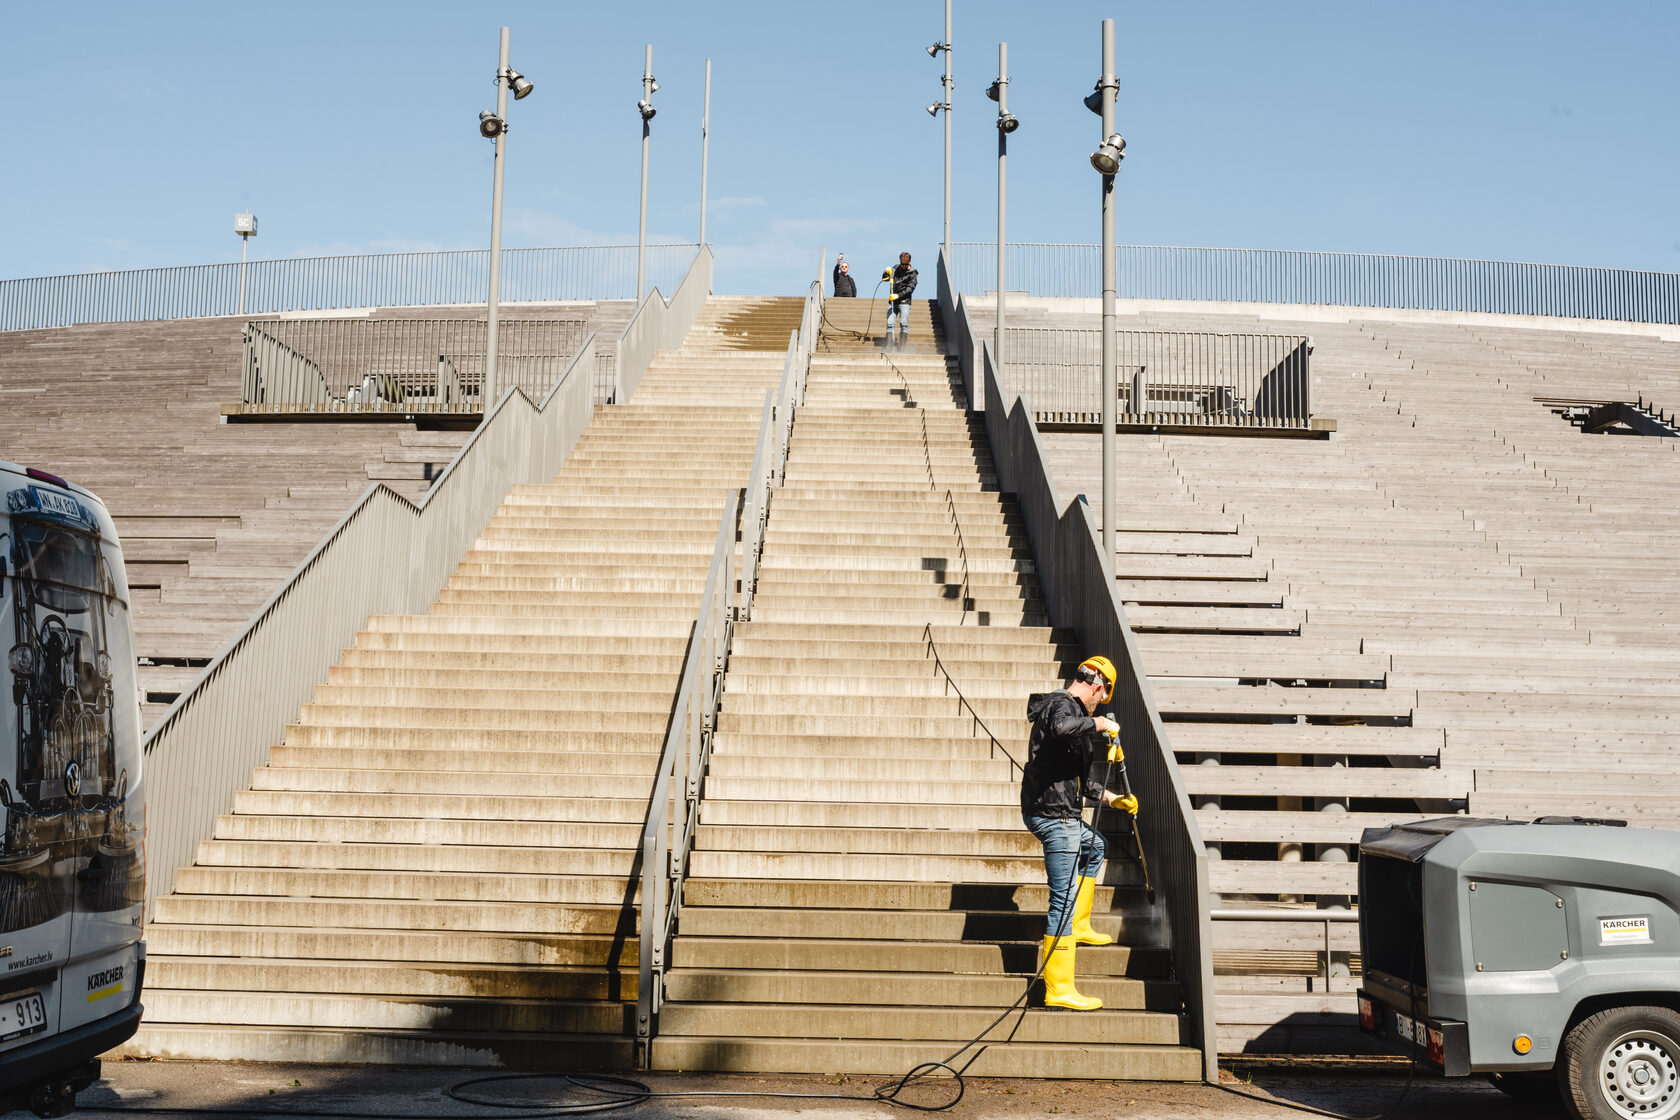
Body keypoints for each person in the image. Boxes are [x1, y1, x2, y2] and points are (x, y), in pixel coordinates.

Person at [1021, 654, 1139, 1011]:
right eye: (1100, 699)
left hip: (1062, 812)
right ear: (1097, 686)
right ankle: (1058, 988)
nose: (1096, 706)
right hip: (1056, 817)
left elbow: (1076, 779)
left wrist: (1112, 797)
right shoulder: (1061, 705)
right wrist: (1101, 724)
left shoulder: (1071, 712)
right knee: (1062, 901)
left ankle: (1082, 924)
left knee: (1096, 848)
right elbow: (1061, 728)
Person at [886, 251, 917, 339]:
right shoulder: (896, 268)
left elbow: (910, 289)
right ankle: (889, 346)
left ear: (909, 262)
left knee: (904, 324)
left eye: (905, 264)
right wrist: (886, 273)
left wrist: (898, 295)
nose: (903, 266)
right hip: (893, 301)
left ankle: (902, 348)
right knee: (890, 323)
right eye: (901, 264)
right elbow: (885, 278)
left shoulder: (913, 273)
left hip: (904, 302)